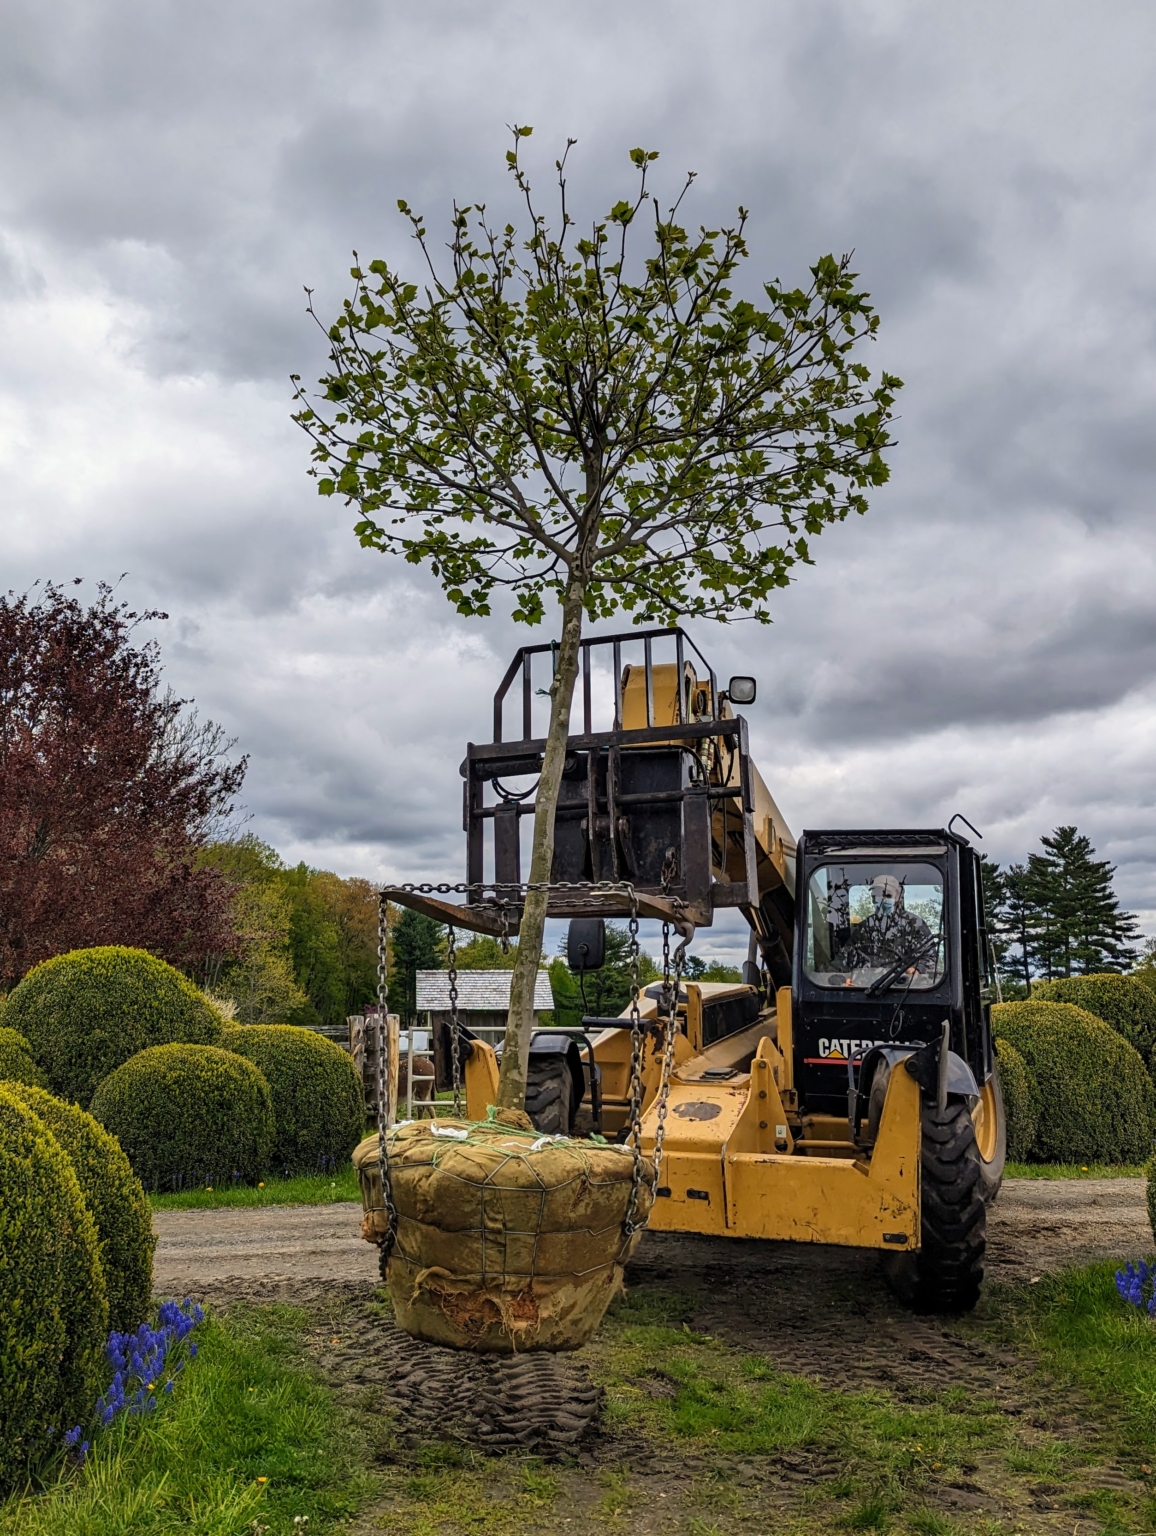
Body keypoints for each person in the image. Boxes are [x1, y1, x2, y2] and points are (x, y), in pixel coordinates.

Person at [836, 875, 934, 975]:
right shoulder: (865, 927)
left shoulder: (915, 924)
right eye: (876, 895)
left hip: (905, 987)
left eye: (887, 895)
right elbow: (844, 957)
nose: (881, 899)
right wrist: (840, 978)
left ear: (898, 897)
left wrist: (917, 970)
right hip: (867, 986)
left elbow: (929, 957)